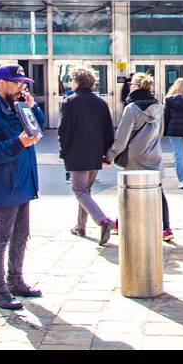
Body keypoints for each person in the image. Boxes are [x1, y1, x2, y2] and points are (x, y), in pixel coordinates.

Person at [0, 63, 45, 310]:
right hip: (4, 184)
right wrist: (18, 143)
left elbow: (37, 127)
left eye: (24, 84)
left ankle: (16, 281)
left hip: (22, 181)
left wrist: (33, 108)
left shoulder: (16, 107)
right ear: (2, 83)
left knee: (21, 234)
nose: (21, 88)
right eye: (17, 83)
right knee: (1, 237)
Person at [107, 73, 173, 243]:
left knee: (129, 190)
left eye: (131, 84)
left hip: (134, 157)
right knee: (158, 190)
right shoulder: (159, 106)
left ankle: (122, 223)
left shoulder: (132, 108)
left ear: (136, 86)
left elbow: (122, 139)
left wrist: (109, 156)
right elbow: (160, 132)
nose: (129, 87)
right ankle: (166, 227)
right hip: (154, 153)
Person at [57, 64, 116, 246]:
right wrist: (108, 155)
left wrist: (63, 151)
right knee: (85, 191)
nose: (71, 83)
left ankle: (103, 221)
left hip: (77, 154)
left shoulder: (70, 102)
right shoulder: (101, 102)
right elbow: (108, 131)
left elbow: (64, 130)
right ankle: (80, 226)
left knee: (79, 191)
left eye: (72, 80)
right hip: (95, 154)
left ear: (78, 82)